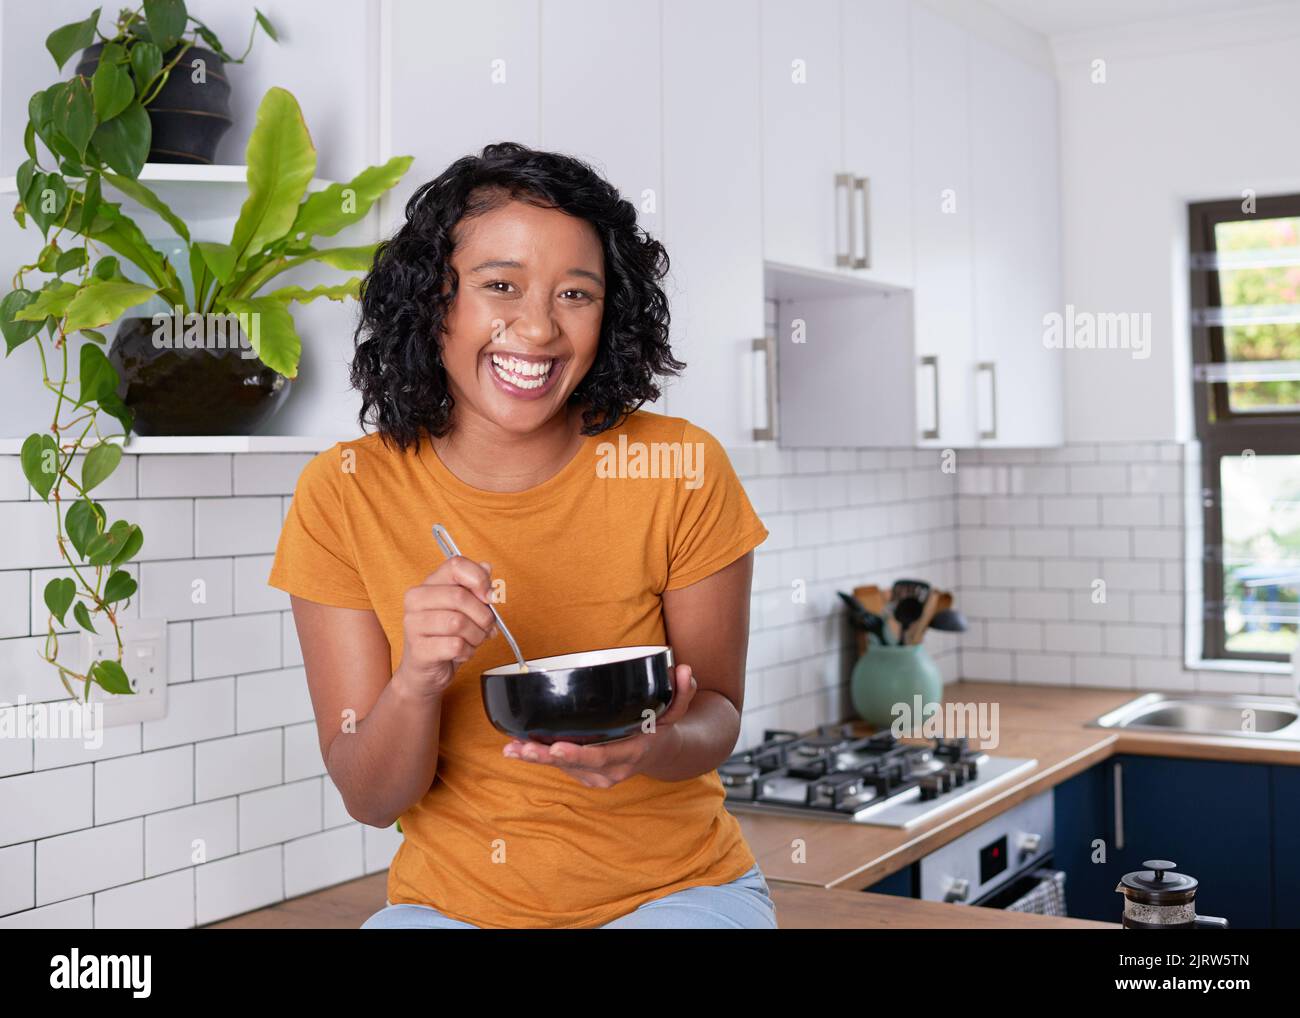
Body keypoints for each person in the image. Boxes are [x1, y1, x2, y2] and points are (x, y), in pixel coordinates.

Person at [268, 142, 775, 929]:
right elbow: (371, 798)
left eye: (576, 293)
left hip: (676, 895)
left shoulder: (680, 467)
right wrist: (417, 682)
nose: (536, 328)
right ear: (433, 299)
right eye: (499, 285)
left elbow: (718, 714)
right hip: (448, 910)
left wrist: (652, 745)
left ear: (611, 315)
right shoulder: (343, 493)